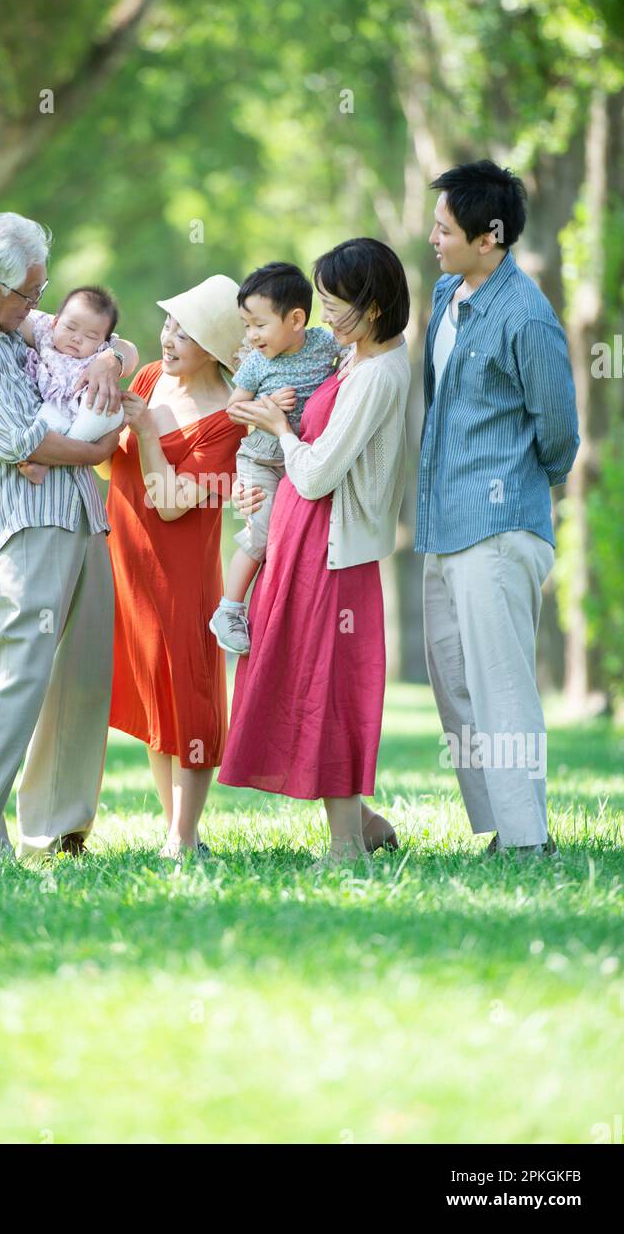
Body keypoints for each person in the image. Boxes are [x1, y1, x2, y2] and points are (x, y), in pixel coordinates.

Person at [0, 212, 138, 862]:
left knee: (82, 678)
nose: (39, 307)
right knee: (21, 679)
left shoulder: (17, 320)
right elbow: (25, 443)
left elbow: (110, 339)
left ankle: (57, 832)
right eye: (29, 296)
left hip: (80, 517)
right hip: (22, 529)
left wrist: (106, 355)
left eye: (41, 294)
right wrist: (100, 442)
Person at [219, 239, 411, 867]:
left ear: (373, 307)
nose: (326, 318)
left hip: (332, 547)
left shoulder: (378, 374)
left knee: (332, 688)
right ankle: (366, 824)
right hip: (303, 538)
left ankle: (346, 844)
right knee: (297, 676)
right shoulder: (353, 358)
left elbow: (317, 473)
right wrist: (261, 472)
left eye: (335, 305)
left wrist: (276, 432)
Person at [419, 160, 579, 857]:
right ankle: (495, 829)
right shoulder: (445, 292)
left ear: (489, 236)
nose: (431, 236)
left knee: (501, 688)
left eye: (443, 227)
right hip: (441, 525)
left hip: (499, 525)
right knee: (457, 689)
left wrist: (517, 484)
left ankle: (525, 840)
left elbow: (560, 432)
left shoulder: (526, 316)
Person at [98, 275, 247, 859]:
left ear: (214, 346)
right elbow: (115, 470)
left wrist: (148, 432)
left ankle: (184, 836)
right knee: (155, 697)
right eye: (168, 324)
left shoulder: (230, 417)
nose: (169, 338)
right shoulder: (151, 378)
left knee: (188, 693)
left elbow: (172, 499)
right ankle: (178, 833)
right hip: (128, 561)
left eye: (186, 332)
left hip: (182, 572)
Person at [208, 261, 341, 656]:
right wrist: (266, 407)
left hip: (301, 461)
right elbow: (233, 410)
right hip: (261, 461)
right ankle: (229, 609)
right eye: (246, 325)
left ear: (296, 319)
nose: (251, 335)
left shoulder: (325, 344)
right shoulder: (256, 363)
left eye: (259, 325)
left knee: (295, 542)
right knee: (262, 534)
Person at [17, 284, 125, 452]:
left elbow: (129, 351)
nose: (77, 338)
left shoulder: (101, 355)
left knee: (104, 410)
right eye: (70, 327)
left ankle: (59, 454)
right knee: (48, 422)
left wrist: (112, 358)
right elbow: (18, 320)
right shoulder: (45, 336)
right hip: (58, 404)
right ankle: (50, 460)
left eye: (90, 336)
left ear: (102, 342)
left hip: (86, 405)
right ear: (55, 323)